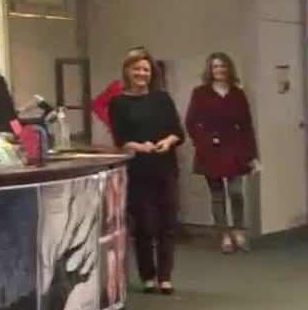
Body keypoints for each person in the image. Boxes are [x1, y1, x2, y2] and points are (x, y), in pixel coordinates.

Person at [109, 48, 186, 295]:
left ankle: (165, 276)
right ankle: (147, 275)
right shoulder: (118, 103)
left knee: (167, 222)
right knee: (144, 224)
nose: (141, 73)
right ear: (127, 71)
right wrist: (140, 147)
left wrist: (168, 142)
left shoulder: (162, 99)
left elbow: (177, 132)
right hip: (138, 169)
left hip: (165, 168)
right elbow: (121, 139)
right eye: (137, 69)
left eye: (146, 70)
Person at [184, 52, 259, 253]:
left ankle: (238, 230)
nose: (219, 70)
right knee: (217, 195)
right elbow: (191, 122)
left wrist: (251, 155)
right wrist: (204, 141)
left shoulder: (237, 93)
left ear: (229, 68)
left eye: (222, 66)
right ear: (210, 70)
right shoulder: (200, 93)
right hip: (210, 149)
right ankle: (223, 234)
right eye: (215, 67)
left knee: (236, 192)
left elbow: (247, 125)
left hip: (235, 147)